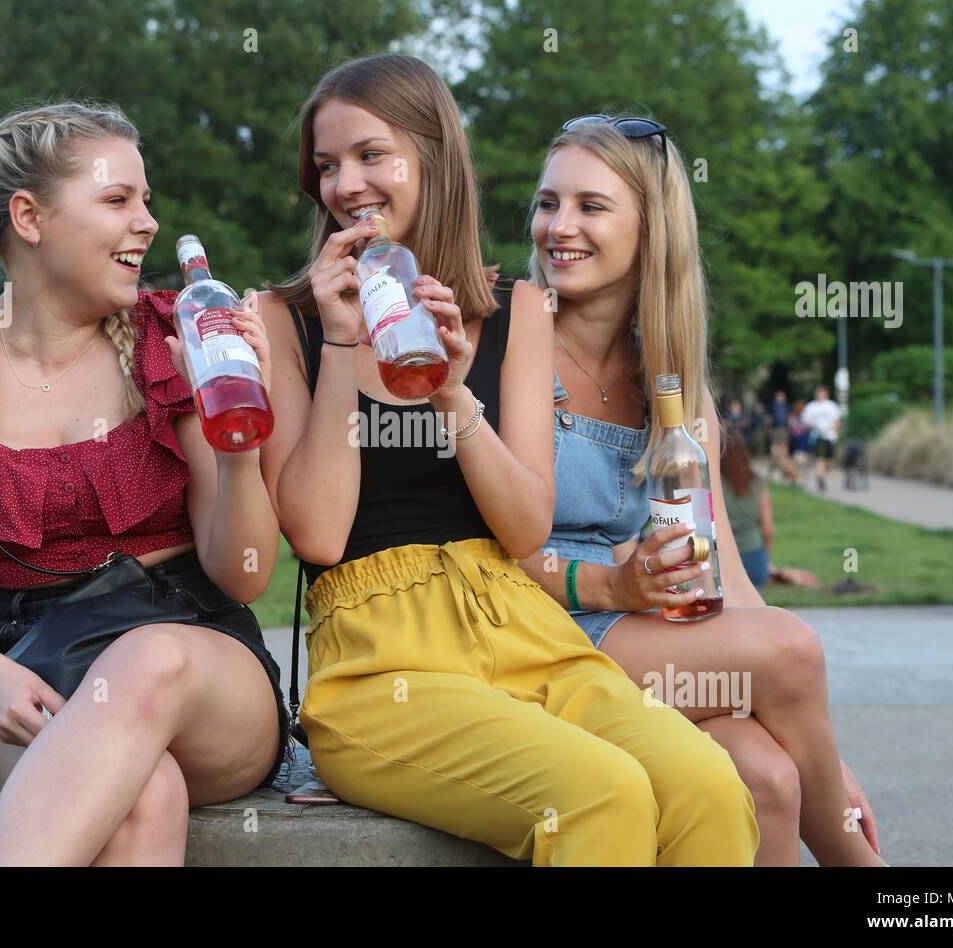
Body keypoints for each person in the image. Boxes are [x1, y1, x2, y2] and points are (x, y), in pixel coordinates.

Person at [254, 54, 758, 866]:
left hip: (522, 628)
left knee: (705, 785)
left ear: (434, 158)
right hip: (381, 662)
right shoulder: (287, 320)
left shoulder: (516, 310)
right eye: (325, 165)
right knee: (601, 793)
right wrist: (345, 340)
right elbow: (315, 533)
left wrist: (455, 395)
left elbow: (525, 527)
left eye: (371, 155)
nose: (346, 184)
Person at [0, 101, 288, 865]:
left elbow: (245, 575)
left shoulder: (179, 339)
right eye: (118, 199)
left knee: (145, 660)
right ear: (29, 217)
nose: (148, 223)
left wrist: (238, 442)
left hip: (199, 658)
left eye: (147, 200)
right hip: (31, 660)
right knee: (145, 796)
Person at [519, 115, 883, 866]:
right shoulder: (512, 345)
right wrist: (796, 700)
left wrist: (811, 743)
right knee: (793, 648)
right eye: (549, 202)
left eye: (591, 206)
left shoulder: (671, 381)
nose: (560, 226)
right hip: (533, 627)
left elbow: (724, 572)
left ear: (652, 230)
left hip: (633, 633)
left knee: (773, 777)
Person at [719, 429, 819, 590]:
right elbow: (768, 530)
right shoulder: (757, 483)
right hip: (754, 558)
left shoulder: (714, 485)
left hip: (723, 559)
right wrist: (765, 561)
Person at [801, 385, 842, 492]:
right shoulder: (811, 407)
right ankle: (821, 478)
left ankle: (823, 473)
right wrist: (813, 426)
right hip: (816, 436)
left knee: (830, 461)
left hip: (829, 436)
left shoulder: (831, 406)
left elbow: (837, 421)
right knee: (819, 458)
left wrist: (831, 428)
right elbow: (805, 422)